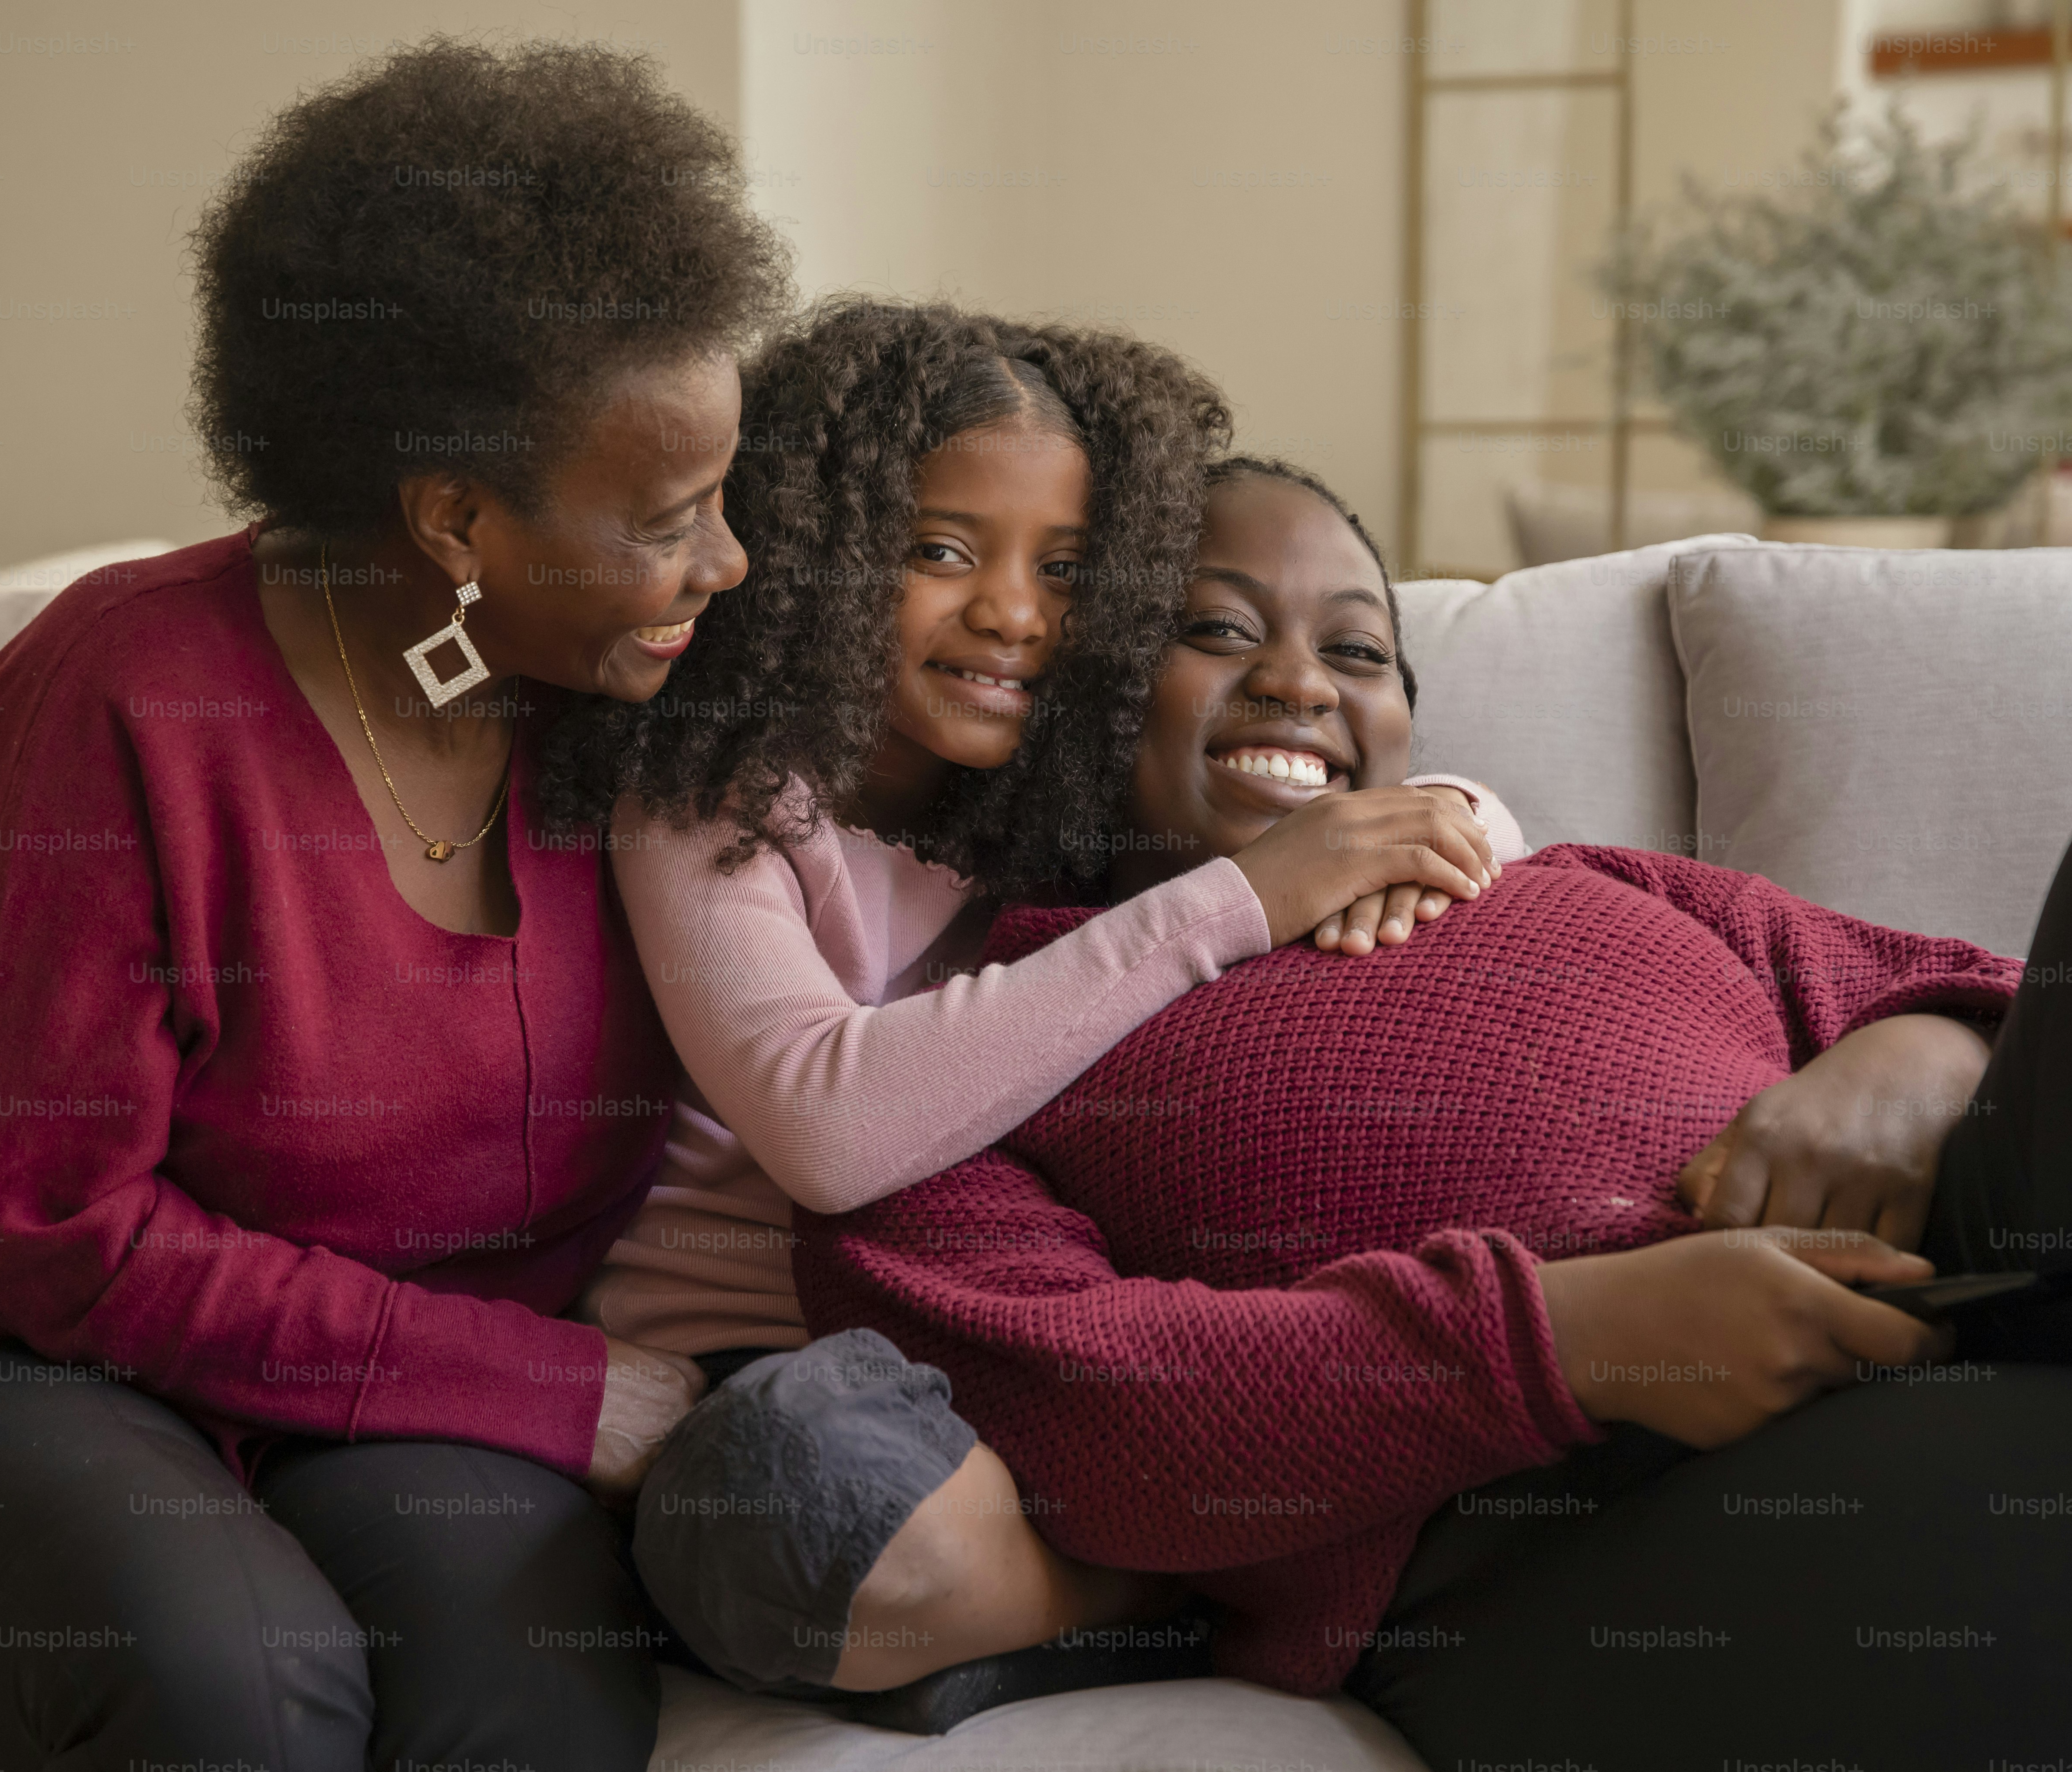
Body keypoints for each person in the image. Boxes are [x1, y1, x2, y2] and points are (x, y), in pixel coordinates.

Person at [774, 458, 2072, 1762]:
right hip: (1585, 1511)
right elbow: (1100, 1417)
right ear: (1077, 696)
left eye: (1361, 651)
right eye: (1211, 630)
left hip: (1997, 1238)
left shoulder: (1582, 879)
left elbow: (1974, 979)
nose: (1302, 680)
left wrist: (1904, 1058)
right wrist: (1582, 1333)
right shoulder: (963, 1061)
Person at [0, 40, 788, 1772]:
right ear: (454, 516)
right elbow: (57, 1236)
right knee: (239, 1689)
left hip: (387, 1415)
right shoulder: (117, 703)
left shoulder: (631, 700)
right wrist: (557, 1393)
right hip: (10, 1377)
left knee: (526, 1704)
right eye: (673, 518)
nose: (727, 563)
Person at [581, 301, 1518, 1719]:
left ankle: (1087, 1589)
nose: (1013, 613)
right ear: (818, 553)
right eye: (941, 551)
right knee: (791, 1491)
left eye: (1067, 570)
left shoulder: (1054, 800)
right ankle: (1162, 1596)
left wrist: (1448, 813)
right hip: (775, 1364)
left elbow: (1402, 815)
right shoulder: (710, 788)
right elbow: (828, 1126)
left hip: (1023, 1351)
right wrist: (1242, 899)